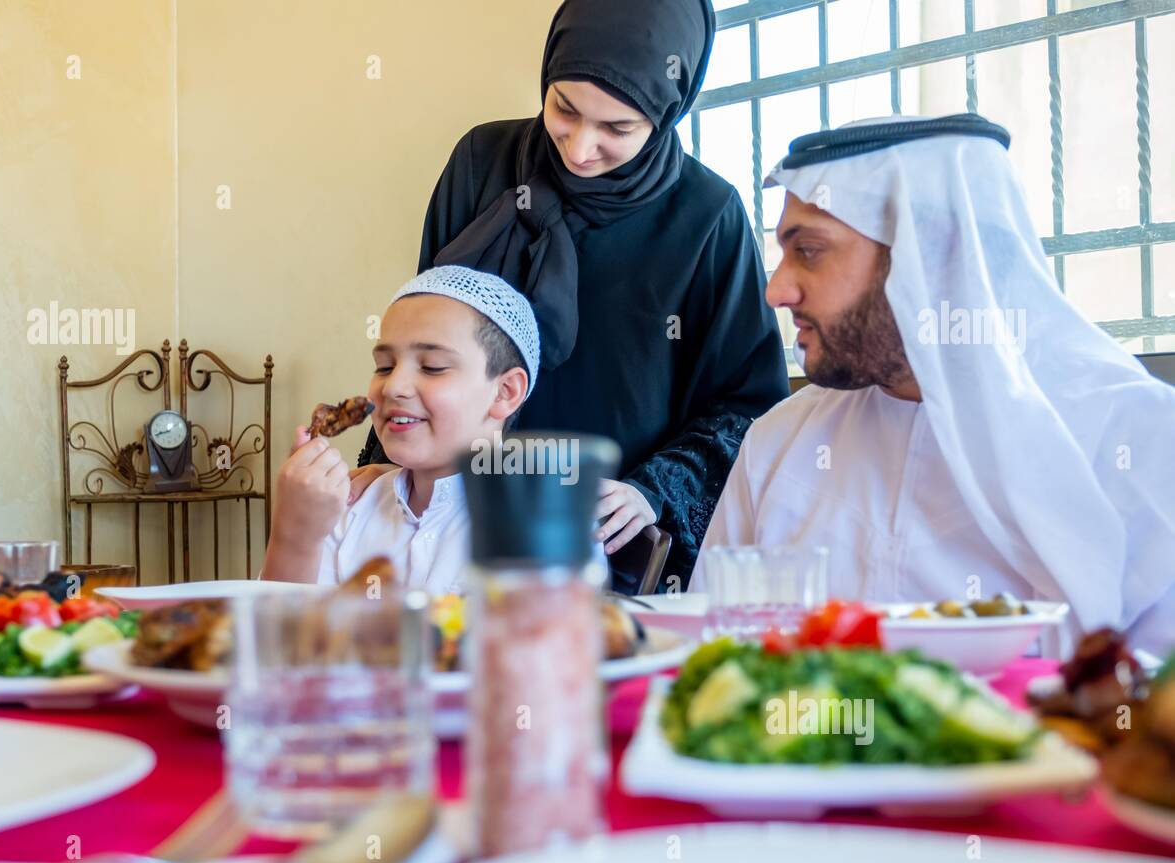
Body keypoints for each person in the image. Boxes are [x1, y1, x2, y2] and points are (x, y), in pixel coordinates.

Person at [691, 114, 1175, 656]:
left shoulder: (1139, 436)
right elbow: (709, 659)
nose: (775, 290)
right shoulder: (778, 441)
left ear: (930, 254)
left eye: (809, 251)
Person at [353, 0, 789, 594]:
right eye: (564, 109)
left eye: (617, 128)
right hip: (451, 527)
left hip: (605, 548)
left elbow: (746, 407)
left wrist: (652, 490)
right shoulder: (481, 165)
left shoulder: (707, 217)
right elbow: (425, 334)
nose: (581, 148)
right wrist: (392, 455)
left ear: (667, 113)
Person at [262, 266, 538, 596]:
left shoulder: (543, 525)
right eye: (384, 367)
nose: (393, 386)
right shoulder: (349, 507)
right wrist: (295, 535)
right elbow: (277, 642)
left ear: (505, 391)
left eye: (432, 367)